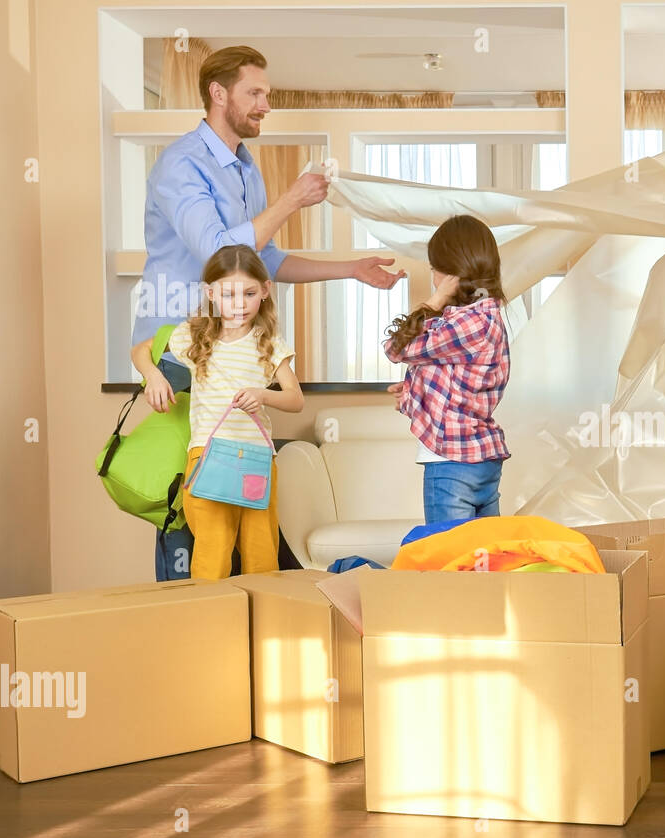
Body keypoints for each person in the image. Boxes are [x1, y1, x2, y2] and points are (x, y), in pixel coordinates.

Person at [131, 45, 402, 578]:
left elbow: (262, 261)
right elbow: (218, 254)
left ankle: (253, 614)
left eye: (268, 95)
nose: (265, 105)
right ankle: (192, 618)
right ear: (218, 92)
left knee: (239, 486)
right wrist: (291, 201)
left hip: (235, 344)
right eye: (255, 93)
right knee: (191, 496)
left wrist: (350, 269)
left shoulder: (244, 168)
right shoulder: (181, 164)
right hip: (183, 347)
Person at [169, 245, 304, 579]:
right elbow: (141, 350)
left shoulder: (269, 343)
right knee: (212, 553)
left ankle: (265, 624)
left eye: (249, 293)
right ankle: (210, 624)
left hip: (256, 458)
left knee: (261, 552)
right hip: (207, 453)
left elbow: (295, 399)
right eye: (229, 294)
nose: (239, 303)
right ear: (211, 293)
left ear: (265, 291)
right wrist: (155, 377)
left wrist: (263, 395)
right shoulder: (193, 335)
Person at [384, 215, 511, 522]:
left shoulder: (468, 323)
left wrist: (434, 300)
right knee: (483, 560)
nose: (432, 276)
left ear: (452, 272)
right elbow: (461, 379)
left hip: (452, 460)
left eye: (433, 269)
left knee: (449, 561)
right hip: (480, 458)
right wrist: (416, 387)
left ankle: (350, 570)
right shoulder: (481, 318)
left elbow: (396, 348)